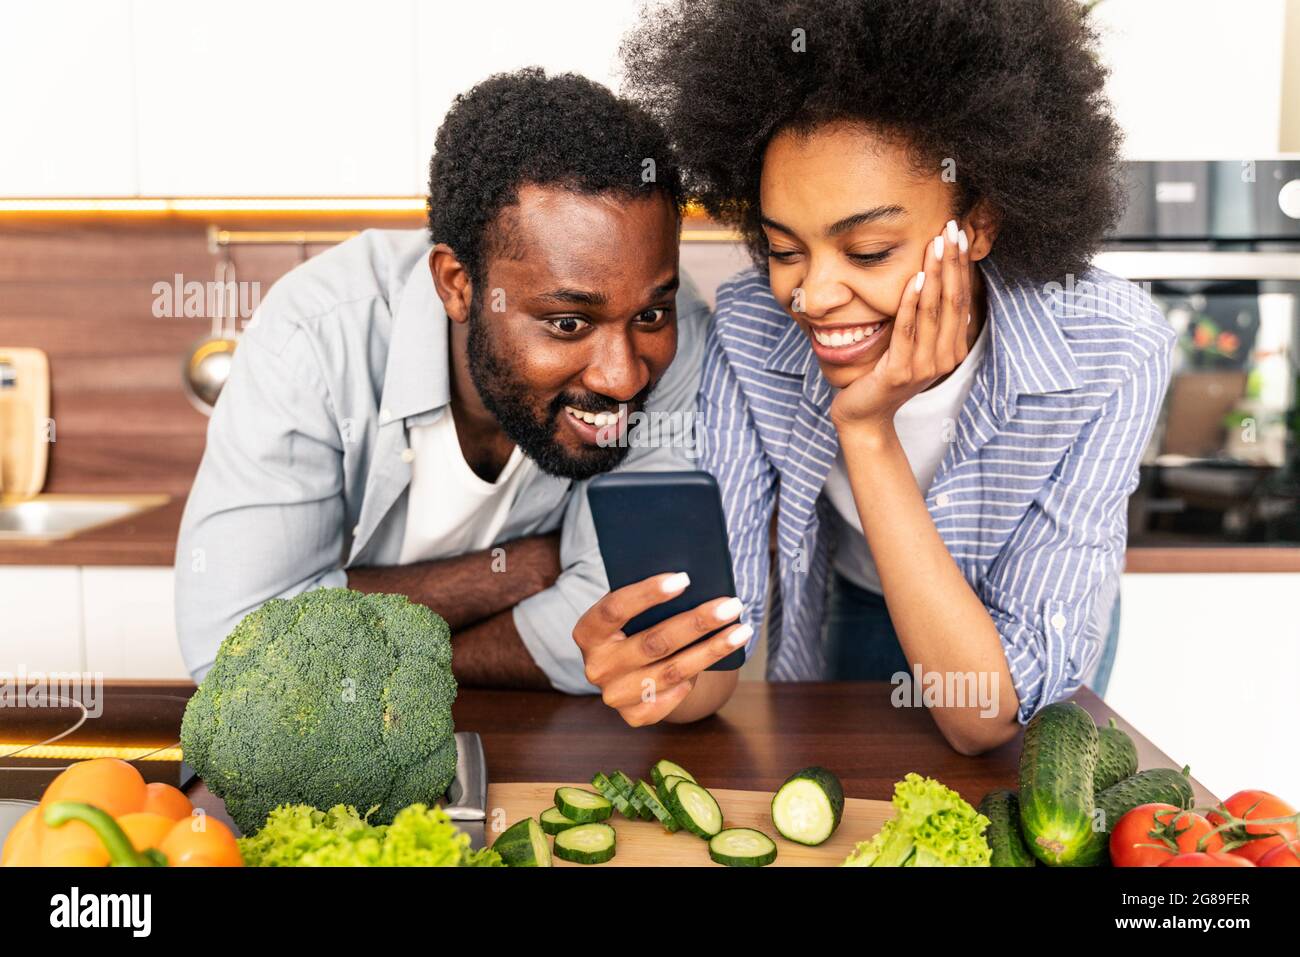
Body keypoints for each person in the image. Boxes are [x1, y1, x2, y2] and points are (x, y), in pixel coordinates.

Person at [619, 0, 1176, 751]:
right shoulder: (754, 329)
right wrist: (657, 666)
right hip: (862, 597)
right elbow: (725, 640)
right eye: (785, 250)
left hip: (1029, 632)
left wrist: (867, 428)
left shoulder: (1111, 349)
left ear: (976, 220)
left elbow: (984, 713)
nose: (811, 297)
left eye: (870, 250)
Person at [175, 69, 745, 717]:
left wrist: (350, 631)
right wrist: (523, 569)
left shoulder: (682, 324)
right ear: (457, 283)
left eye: (647, 316)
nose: (623, 376)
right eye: (568, 323)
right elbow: (232, 645)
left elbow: (639, 612)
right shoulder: (315, 336)